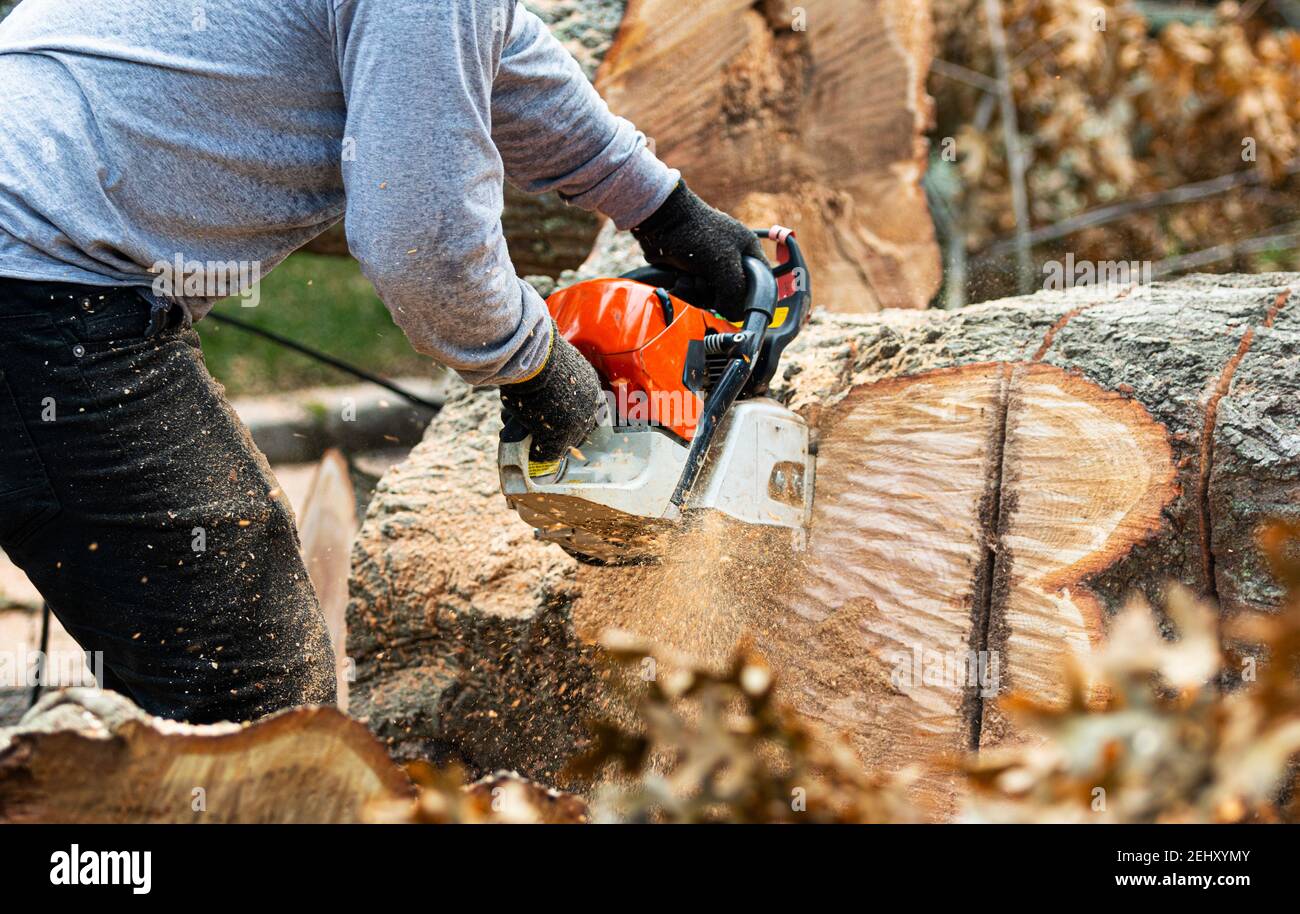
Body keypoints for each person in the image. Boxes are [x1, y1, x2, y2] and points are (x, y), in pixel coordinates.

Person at [0, 0, 763, 723]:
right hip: (39, 277)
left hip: (36, 241)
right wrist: (539, 371)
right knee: (248, 688)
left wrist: (661, 208)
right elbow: (420, 246)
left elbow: (490, 55)